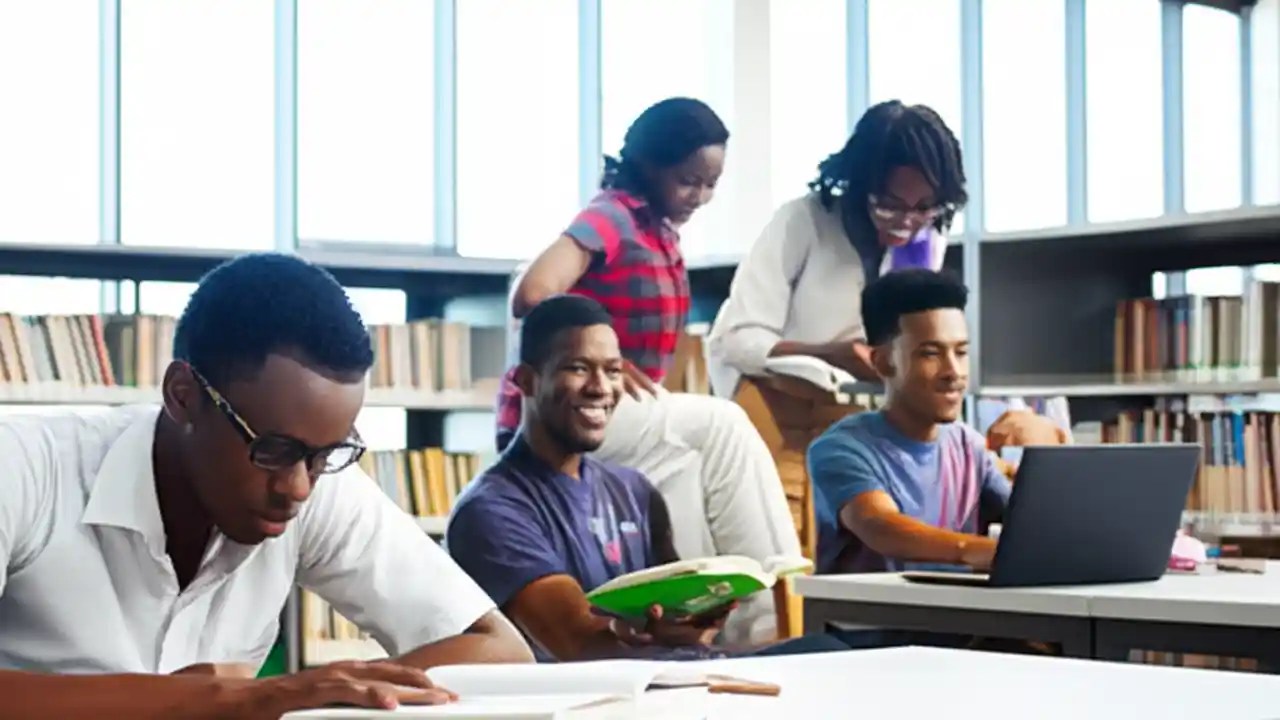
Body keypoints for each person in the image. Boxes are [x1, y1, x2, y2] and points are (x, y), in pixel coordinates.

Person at [0, 253, 532, 720]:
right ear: (183, 395)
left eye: (327, 454)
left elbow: (499, 650)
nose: (299, 488)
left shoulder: (316, 484)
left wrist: (323, 694)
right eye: (272, 450)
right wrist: (242, 699)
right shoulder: (26, 467)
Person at [495, 97, 799, 642]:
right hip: (565, 412)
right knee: (723, 425)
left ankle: (730, 640)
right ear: (650, 164)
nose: (700, 197)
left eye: (711, 184)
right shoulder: (613, 215)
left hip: (619, 423)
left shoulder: (661, 233)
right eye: (688, 181)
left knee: (693, 489)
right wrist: (608, 363)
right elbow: (533, 292)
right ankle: (778, 620)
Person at [703, 101, 1066, 555]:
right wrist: (828, 352)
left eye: (924, 207)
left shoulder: (924, 240)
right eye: (890, 205)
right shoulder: (803, 221)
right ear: (860, 185)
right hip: (779, 411)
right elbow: (735, 339)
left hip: (862, 417)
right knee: (782, 561)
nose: (907, 222)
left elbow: (921, 332)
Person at [450, 295, 847, 661]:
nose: (600, 388)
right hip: (608, 696)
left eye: (612, 371)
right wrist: (657, 637)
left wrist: (694, 623)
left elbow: (676, 615)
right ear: (526, 382)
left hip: (681, 673)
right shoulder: (491, 510)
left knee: (833, 651)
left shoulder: (632, 488)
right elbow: (579, 642)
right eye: (578, 368)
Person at [807, 269, 1065, 575]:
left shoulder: (968, 445)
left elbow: (1039, 525)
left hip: (958, 618)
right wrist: (985, 552)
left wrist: (1050, 446)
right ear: (882, 362)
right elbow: (881, 527)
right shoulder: (840, 449)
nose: (953, 371)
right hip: (868, 620)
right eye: (930, 354)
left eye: (961, 352)